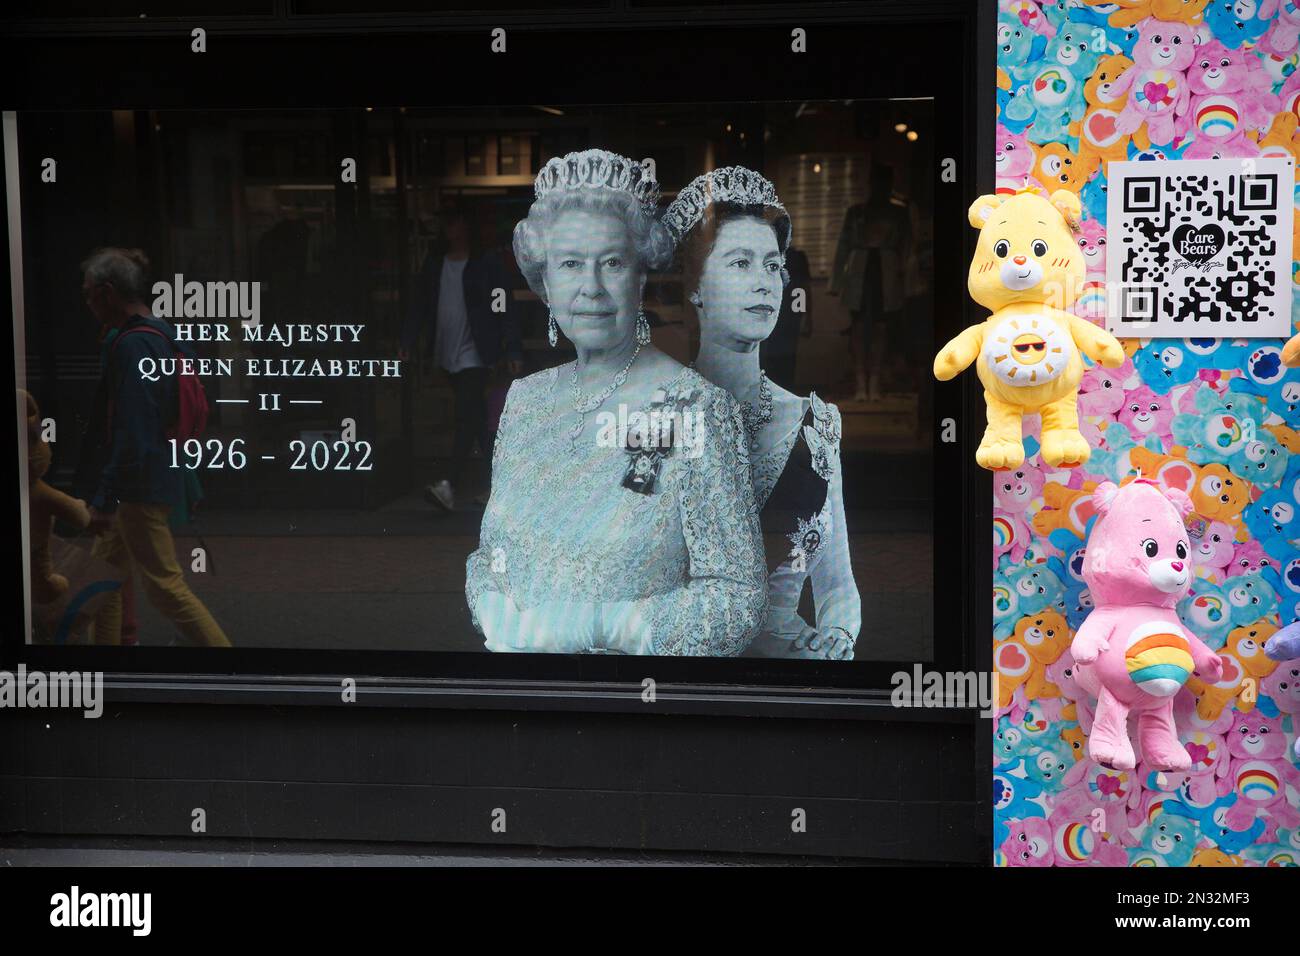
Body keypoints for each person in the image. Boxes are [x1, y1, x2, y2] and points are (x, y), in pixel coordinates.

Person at [465, 149, 766, 655]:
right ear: (545, 283)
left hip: (627, 707)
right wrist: (491, 609)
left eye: (612, 262)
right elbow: (489, 557)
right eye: (570, 264)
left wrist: (597, 627)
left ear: (641, 275)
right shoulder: (525, 401)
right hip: (518, 700)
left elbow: (738, 599)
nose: (592, 288)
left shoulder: (694, 408)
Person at [665, 167, 860, 660]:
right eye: (739, 263)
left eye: (772, 266)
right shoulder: (656, 413)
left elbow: (837, 584)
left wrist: (836, 641)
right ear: (695, 288)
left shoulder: (816, 423)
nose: (764, 283)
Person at [79, 247, 231, 647]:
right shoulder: (163, 332)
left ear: (108, 292)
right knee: (103, 579)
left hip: (138, 488)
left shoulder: (131, 345)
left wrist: (105, 497)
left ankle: (230, 667)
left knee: (166, 588)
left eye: (89, 293)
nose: (87, 303)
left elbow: (133, 432)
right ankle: (106, 671)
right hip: (155, 474)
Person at [400, 204, 523, 511]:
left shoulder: (486, 263)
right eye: (447, 225)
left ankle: (448, 486)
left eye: (454, 224)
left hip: (476, 352)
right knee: (476, 420)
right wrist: (408, 340)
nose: (449, 230)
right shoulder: (435, 263)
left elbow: (503, 305)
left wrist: (510, 347)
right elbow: (419, 305)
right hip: (447, 351)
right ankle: (503, 485)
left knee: (467, 416)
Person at [830, 164, 911, 401]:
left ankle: (874, 380)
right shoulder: (857, 212)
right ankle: (860, 381)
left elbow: (906, 247)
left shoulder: (899, 213)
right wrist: (836, 282)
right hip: (860, 267)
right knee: (857, 325)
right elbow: (844, 245)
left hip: (886, 267)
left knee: (881, 326)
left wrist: (905, 278)